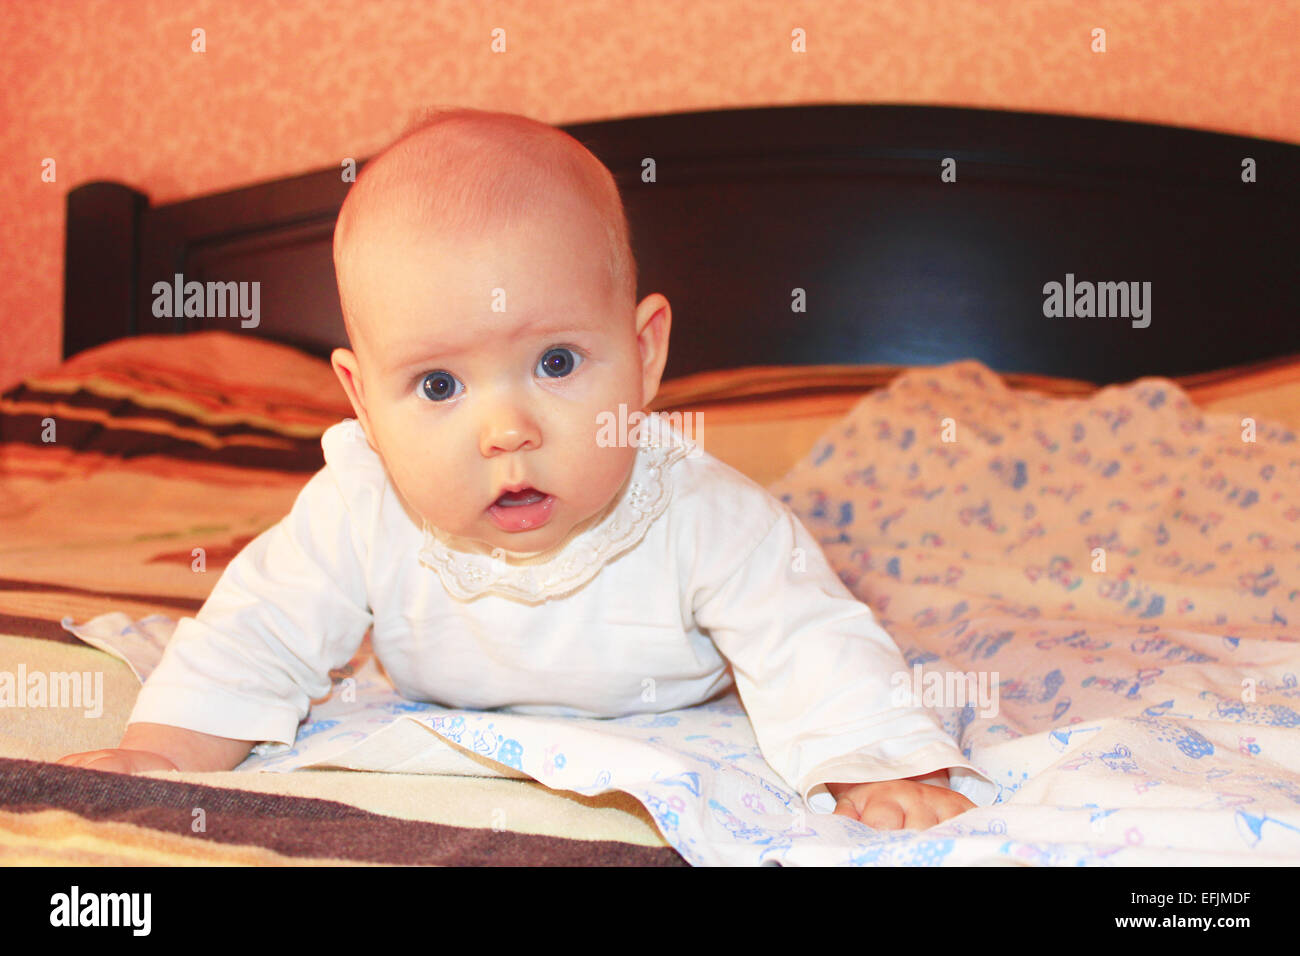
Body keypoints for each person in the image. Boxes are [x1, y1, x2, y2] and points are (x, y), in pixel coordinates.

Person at [59, 108, 992, 831]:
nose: (506, 430)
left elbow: (805, 637)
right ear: (360, 402)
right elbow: (259, 629)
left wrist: (876, 764)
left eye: (555, 364)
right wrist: (167, 752)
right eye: (436, 384)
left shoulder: (703, 515)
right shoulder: (363, 506)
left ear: (644, 356)